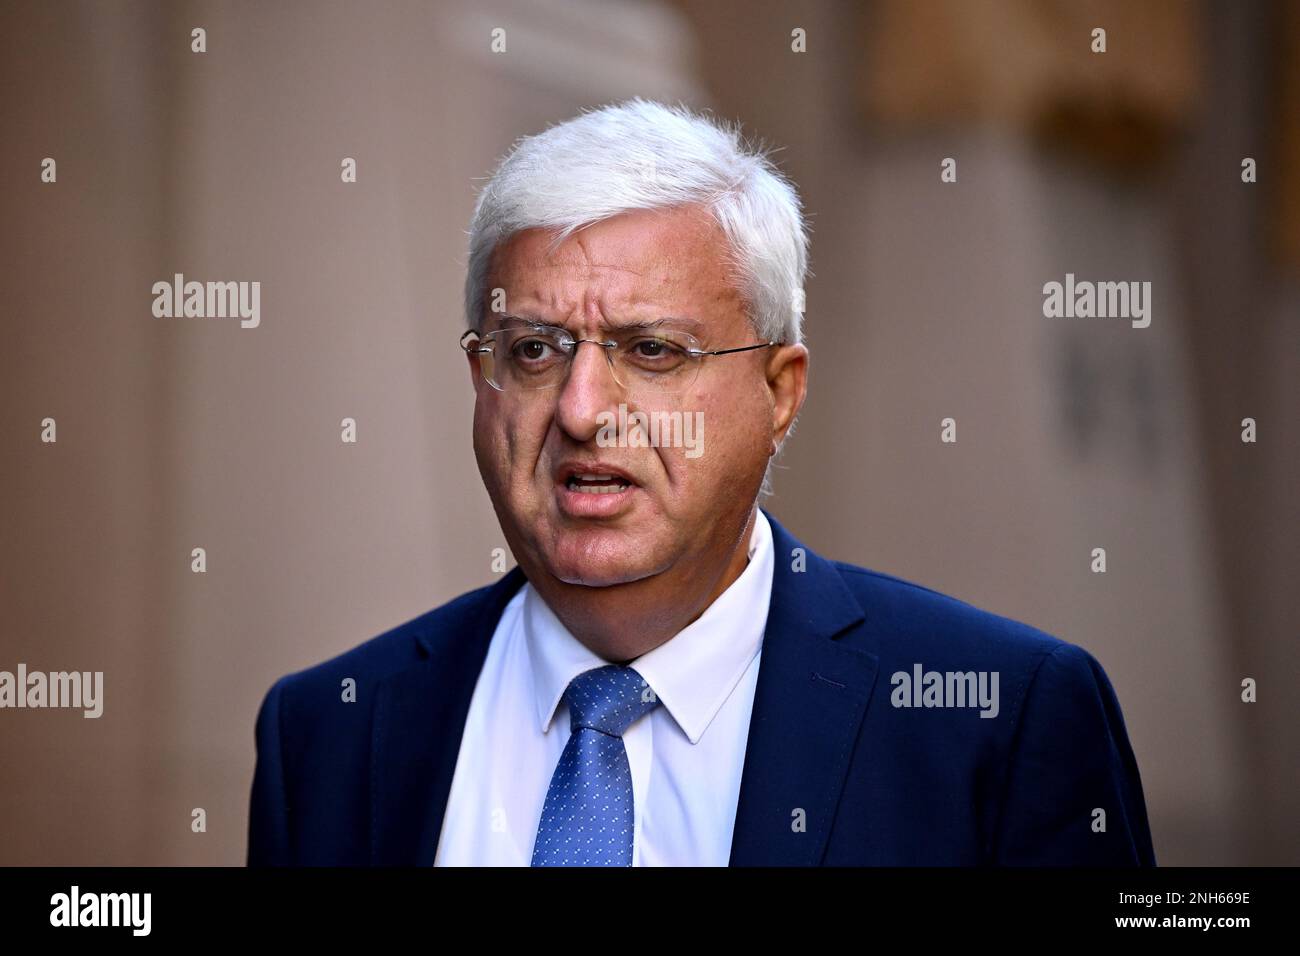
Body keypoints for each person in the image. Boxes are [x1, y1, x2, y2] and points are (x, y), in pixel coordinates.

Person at [248, 99, 1156, 866]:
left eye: (652, 351)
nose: (582, 409)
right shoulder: (329, 734)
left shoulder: (997, 718)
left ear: (778, 392)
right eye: (532, 350)